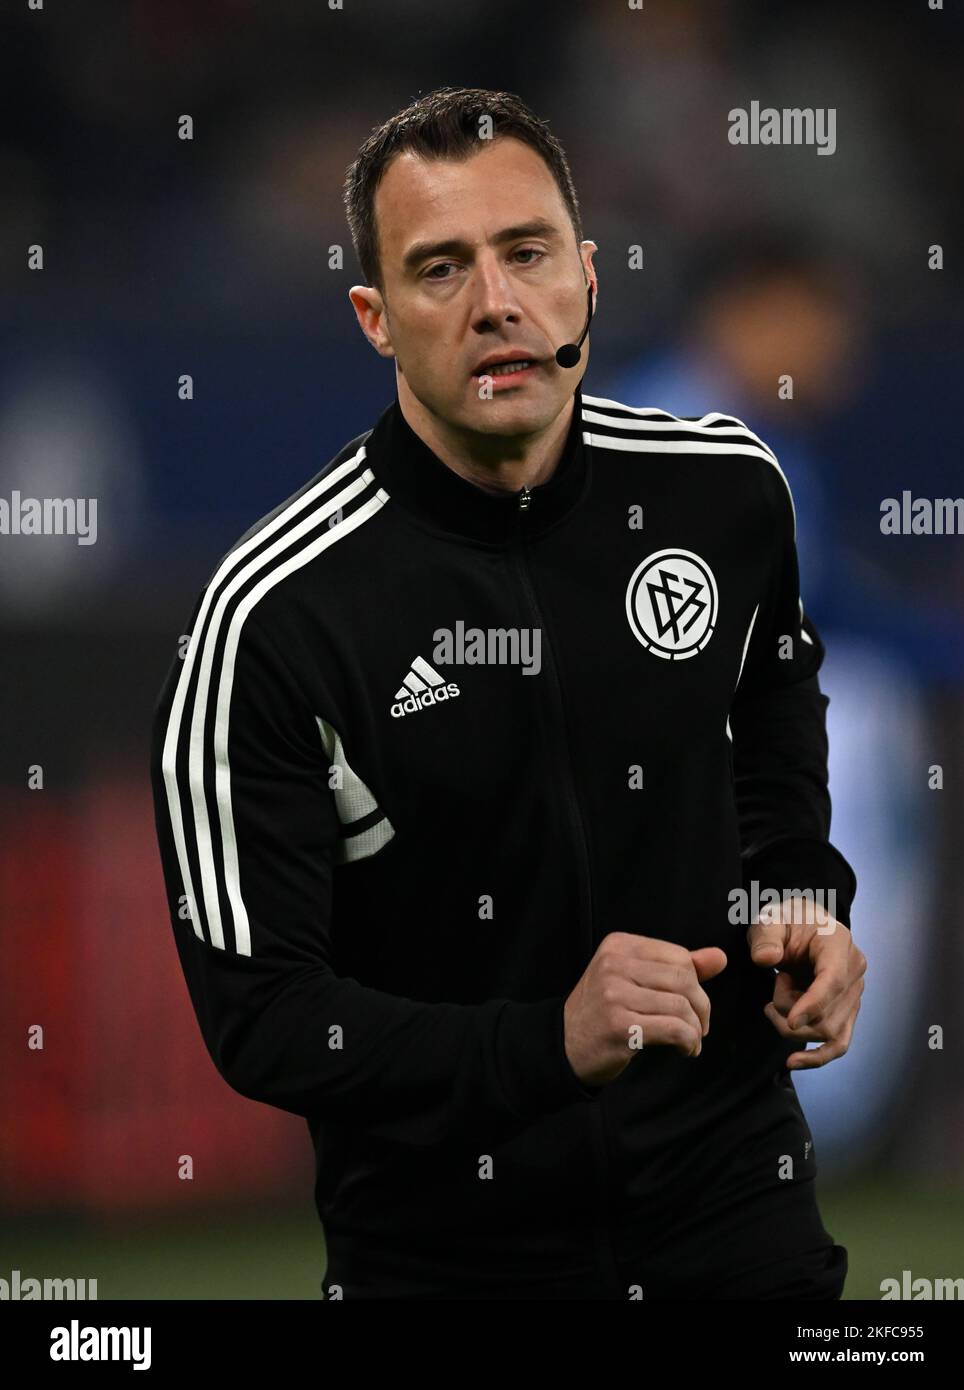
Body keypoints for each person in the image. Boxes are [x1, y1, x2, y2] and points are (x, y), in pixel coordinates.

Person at [149, 86, 866, 1300]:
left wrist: (802, 897)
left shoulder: (727, 494)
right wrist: (546, 1044)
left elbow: (774, 734)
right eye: (439, 269)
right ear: (374, 319)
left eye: (525, 253)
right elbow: (264, 1013)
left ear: (586, 276)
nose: (495, 303)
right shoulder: (271, 618)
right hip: (446, 1258)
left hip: (735, 1214)